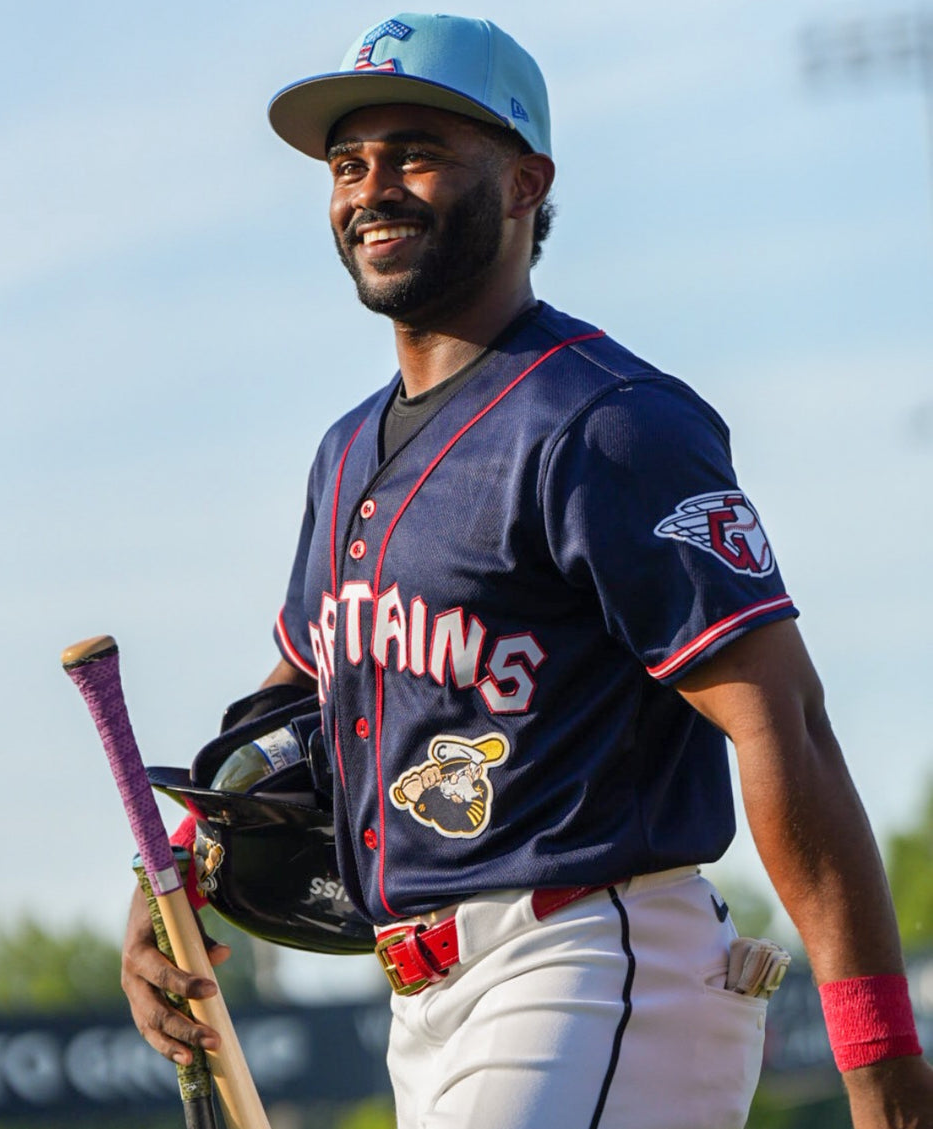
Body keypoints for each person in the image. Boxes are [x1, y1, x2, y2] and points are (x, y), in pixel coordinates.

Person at [121, 14, 932, 1128]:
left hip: (593, 959)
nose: (371, 190)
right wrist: (173, 877)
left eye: (416, 152)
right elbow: (302, 692)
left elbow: (783, 722)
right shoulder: (347, 450)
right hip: (429, 1002)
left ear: (523, 182)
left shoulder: (607, 423)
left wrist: (881, 1062)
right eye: (348, 164)